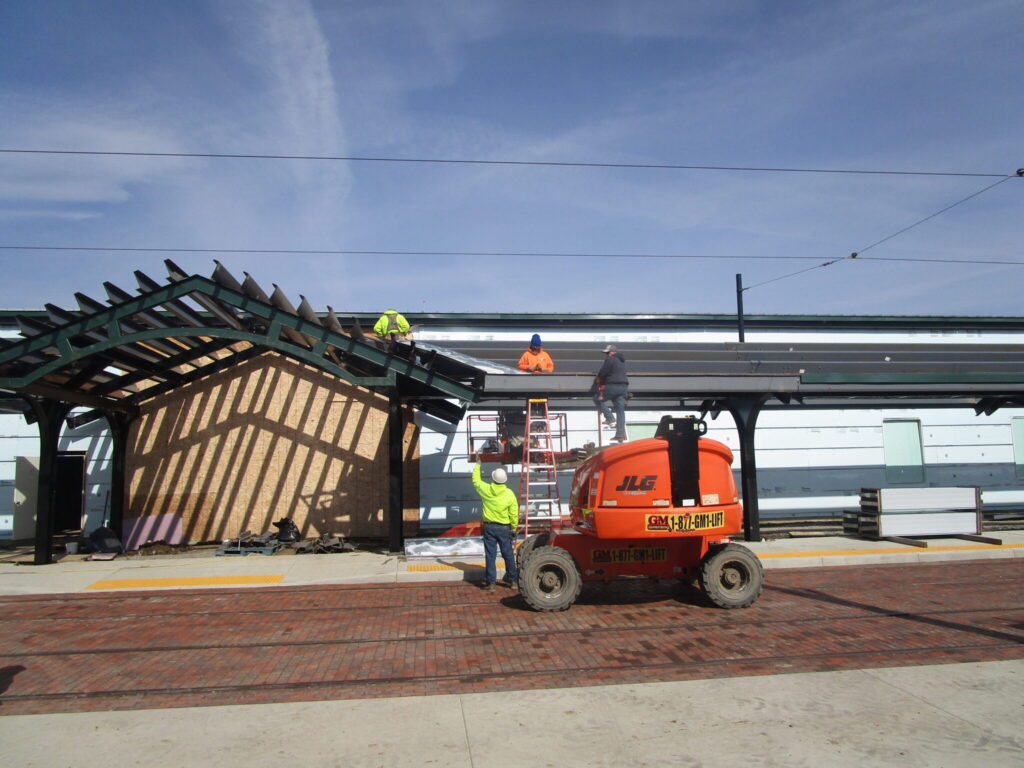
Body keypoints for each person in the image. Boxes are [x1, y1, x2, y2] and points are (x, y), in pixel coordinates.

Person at [470, 462, 519, 591]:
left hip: (489, 528)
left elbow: (476, 481)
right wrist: (514, 527)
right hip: (504, 528)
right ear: (504, 480)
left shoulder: (486, 490)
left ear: (493, 478)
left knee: (490, 555)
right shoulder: (509, 494)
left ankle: (491, 583)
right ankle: (513, 580)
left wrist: (478, 465)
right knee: (508, 554)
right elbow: (513, 513)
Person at [594, 344, 629, 442]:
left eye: (607, 353)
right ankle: (620, 435)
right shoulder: (622, 361)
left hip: (613, 385)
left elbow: (604, 372)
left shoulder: (610, 359)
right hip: (623, 387)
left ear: (613, 352)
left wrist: (598, 378)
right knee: (620, 411)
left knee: (597, 399)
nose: (606, 355)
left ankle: (609, 418)